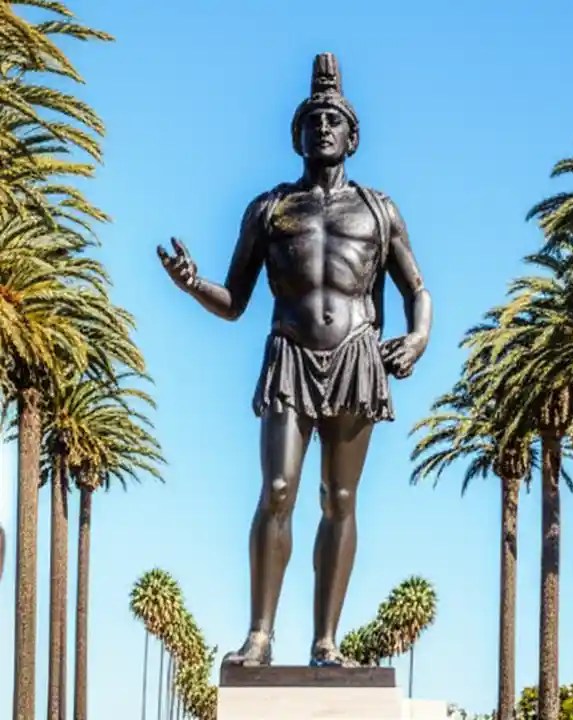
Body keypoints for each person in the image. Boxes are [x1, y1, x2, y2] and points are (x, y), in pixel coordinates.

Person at [156, 52, 432, 667]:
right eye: (314, 120)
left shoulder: (379, 209)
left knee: (339, 499)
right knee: (277, 488)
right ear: (298, 135)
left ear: (352, 135)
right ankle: (260, 634)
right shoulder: (270, 209)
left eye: (334, 118)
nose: (325, 127)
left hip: (357, 355)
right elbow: (234, 301)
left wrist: (416, 339)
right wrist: (191, 282)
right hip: (290, 355)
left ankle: (325, 641)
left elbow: (417, 288)